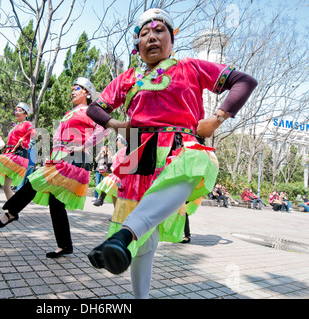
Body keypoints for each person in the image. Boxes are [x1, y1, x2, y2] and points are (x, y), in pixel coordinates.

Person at [85, 8, 257, 299]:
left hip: (179, 147)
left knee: (196, 163)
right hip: (139, 153)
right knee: (147, 235)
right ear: (136, 45)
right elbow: (94, 107)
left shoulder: (190, 67)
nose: (151, 37)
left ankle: (121, 237)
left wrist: (217, 118)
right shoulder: (128, 77)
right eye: (144, 33)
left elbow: (244, 81)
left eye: (159, 30)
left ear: (172, 38)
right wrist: (116, 125)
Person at [0, 77, 108, 258]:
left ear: (86, 91)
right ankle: (65, 245)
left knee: (36, 180)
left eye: (77, 88)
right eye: (72, 88)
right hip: (60, 156)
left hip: (75, 158)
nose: (72, 91)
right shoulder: (71, 112)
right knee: (55, 201)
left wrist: (84, 146)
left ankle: (12, 212)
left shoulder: (92, 110)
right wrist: (51, 155)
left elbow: (105, 129)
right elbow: (57, 135)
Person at [94, 134, 127, 207]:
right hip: (116, 173)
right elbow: (114, 163)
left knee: (109, 183)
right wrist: (112, 168)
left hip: (120, 176)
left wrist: (115, 169)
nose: (116, 143)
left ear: (122, 141)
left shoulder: (124, 151)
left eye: (117, 141)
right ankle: (115, 216)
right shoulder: (119, 151)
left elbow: (122, 163)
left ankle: (101, 199)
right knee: (114, 195)